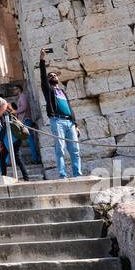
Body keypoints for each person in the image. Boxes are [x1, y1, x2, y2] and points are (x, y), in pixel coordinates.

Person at [38, 50, 81, 179]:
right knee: (60, 149)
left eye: (54, 75)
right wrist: (42, 59)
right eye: (50, 76)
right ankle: (62, 175)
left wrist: (76, 124)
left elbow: (69, 108)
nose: (53, 76)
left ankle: (77, 174)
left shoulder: (62, 91)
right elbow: (42, 75)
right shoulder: (48, 89)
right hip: (57, 121)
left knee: (75, 150)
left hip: (70, 122)